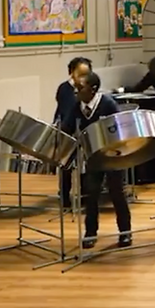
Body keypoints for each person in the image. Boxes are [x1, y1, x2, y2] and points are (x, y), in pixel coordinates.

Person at [74, 72, 131, 249]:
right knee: (91, 194)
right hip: (92, 157)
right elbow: (68, 126)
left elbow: (119, 128)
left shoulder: (107, 104)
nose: (77, 91)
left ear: (93, 89)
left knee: (117, 193)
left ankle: (125, 233)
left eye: (80, 87)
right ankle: (90, 232)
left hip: (112, 155)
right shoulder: (77, 106)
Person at [55, 57, 91, 208]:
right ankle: (64, 196)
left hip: (81, 130)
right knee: (66, 165)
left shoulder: (85, 88)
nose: (83, 78)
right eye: (80, 74)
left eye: (86, 74)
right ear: (71, 73)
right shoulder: (65, 89)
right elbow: (68, 110)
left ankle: (84, 194)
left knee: (84, 164)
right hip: (67, 130)